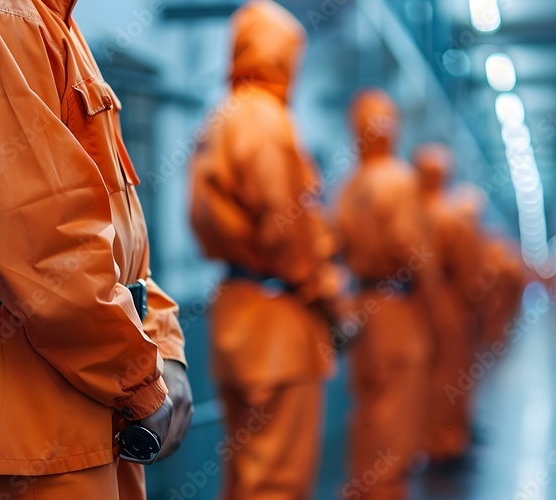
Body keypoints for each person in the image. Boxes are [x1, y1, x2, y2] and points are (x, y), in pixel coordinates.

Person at [0, 0, 192, 497]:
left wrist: (163, 351)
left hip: (94, 379)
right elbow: (45, 247)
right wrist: (142, 380)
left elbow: (114, 237)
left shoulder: (49, 24)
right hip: (43, 393)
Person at [188, 1, 342, 498]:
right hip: (281, 326)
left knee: (245, 474)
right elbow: (289, 232)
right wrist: (331, 300)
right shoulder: (268, 123)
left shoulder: (219, 120)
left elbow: (203, 219)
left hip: (236, 317)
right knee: (277, 478)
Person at [335, 89, 429, 499]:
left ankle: (362, 488)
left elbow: (330, 245)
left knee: (368, 410)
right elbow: (414, 253)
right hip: (397, 311)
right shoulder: (399, 179)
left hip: (361, 308)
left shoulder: (348, 186)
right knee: (395, 416)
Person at [411, 144, 484, 466]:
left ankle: (424, 440)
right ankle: (447, 441)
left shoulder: (409, 213)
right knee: (450, 376)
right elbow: (468, 269)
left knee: (422, 377)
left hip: (412, 304)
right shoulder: (450, 217)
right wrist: (472, 305)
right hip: (448, 304)